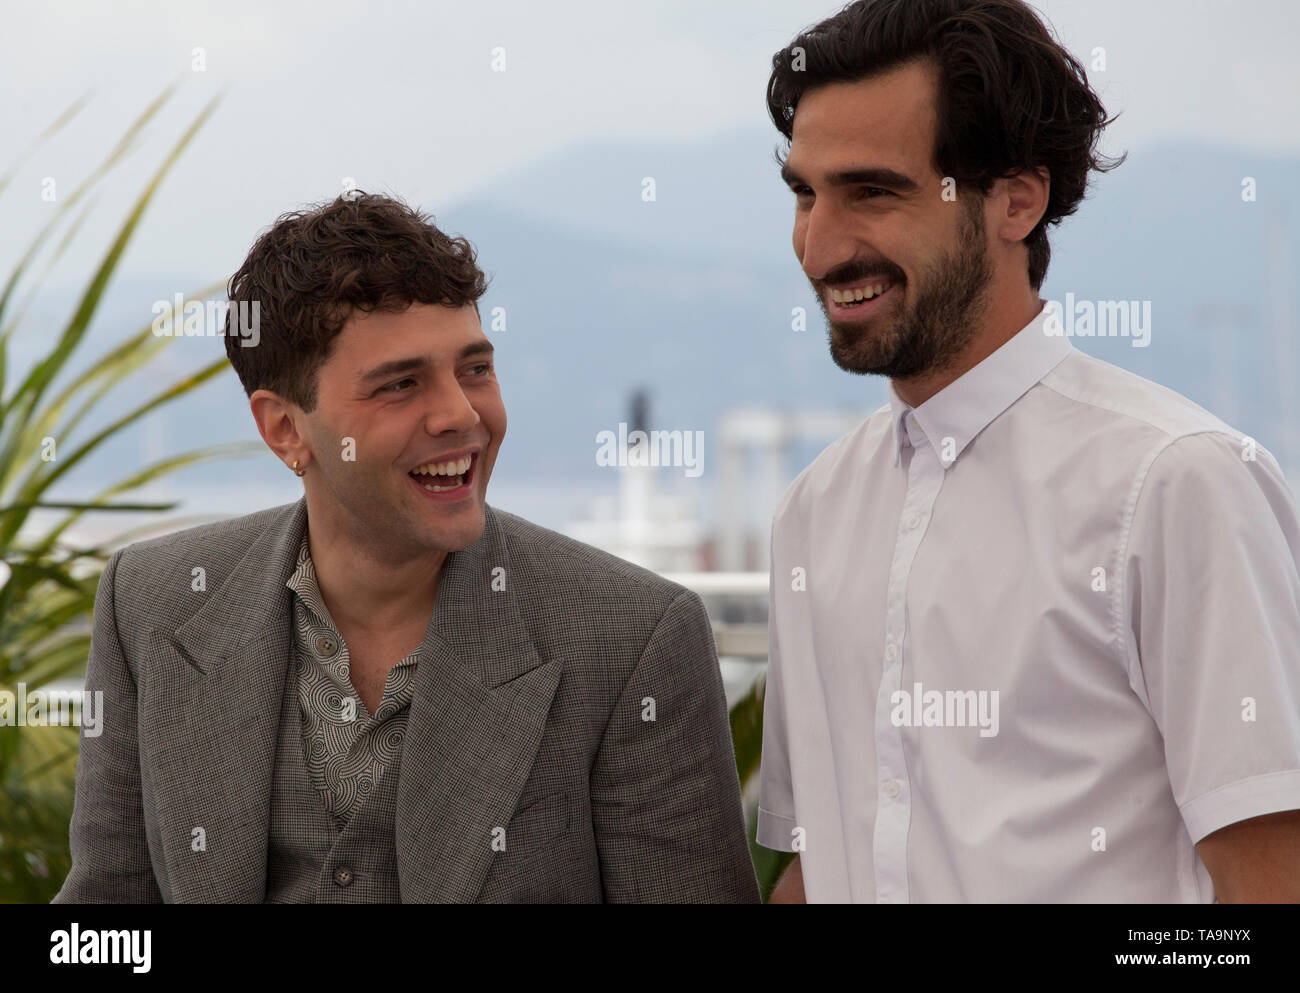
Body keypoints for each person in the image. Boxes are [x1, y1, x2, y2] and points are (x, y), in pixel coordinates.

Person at [55, 192, 759, 903]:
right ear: (284, 429)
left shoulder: (633, 635)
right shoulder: (152, 603)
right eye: (400, 384)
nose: (461, 414)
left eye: (475, 369)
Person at [757, 0, 1300, 902]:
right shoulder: (814, 511)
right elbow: (818, 870)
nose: (819, 247)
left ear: (1017, 200)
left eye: (873, 192)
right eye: (805, 194)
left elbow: (1273, 881)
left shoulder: (1179, 481)